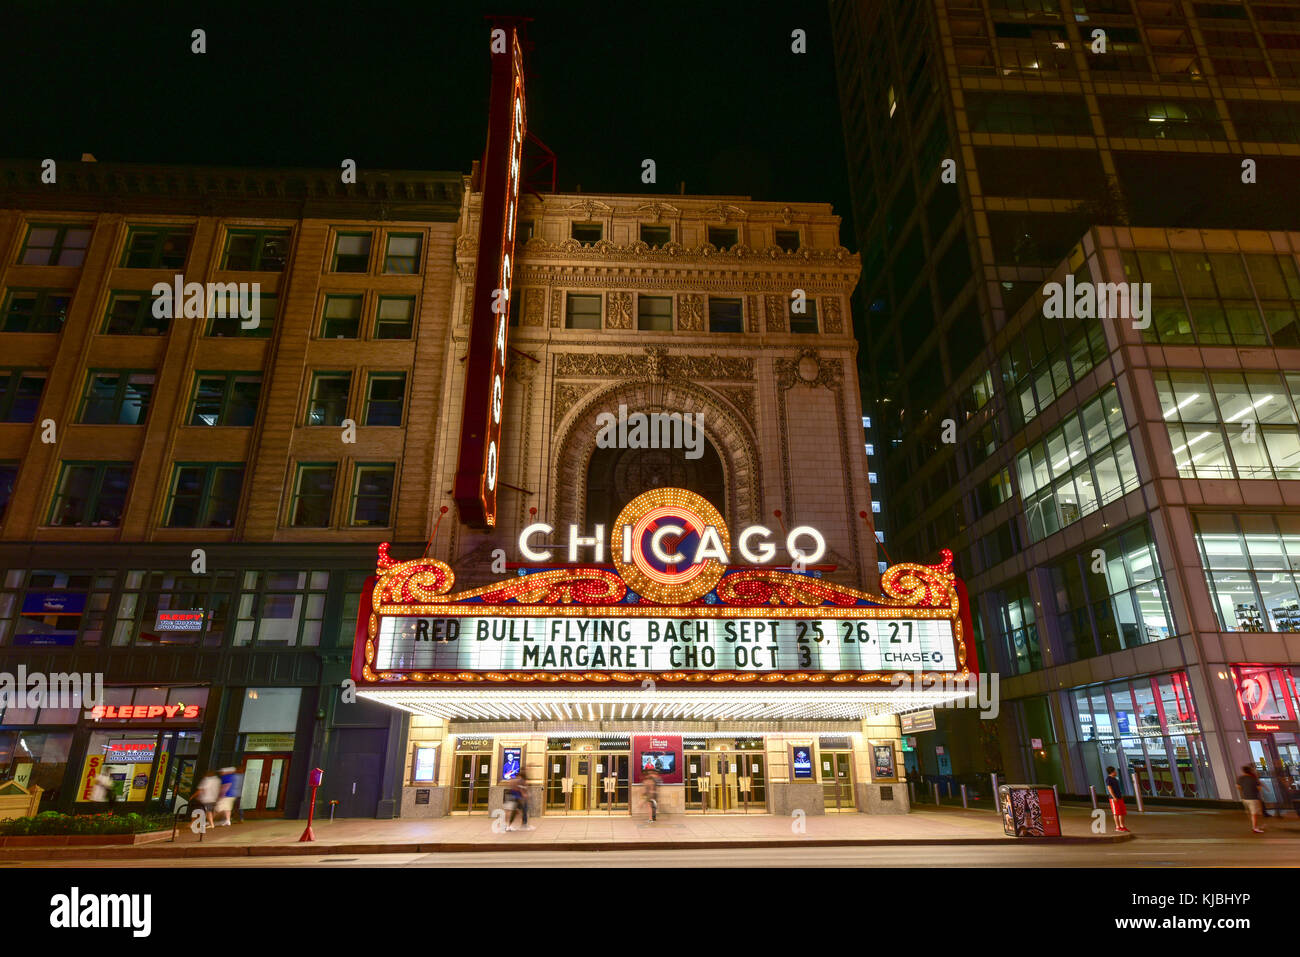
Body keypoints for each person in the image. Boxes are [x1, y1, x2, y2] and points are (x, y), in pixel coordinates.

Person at [1237, 764, 1265, 833]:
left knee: (1251, 813)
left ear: (1243, 771)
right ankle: (1255, 827)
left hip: (1245, 798)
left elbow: (1238, 787)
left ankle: (1255, 825)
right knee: (1255, 813)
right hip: (1253, 798)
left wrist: (1244, 790)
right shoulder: (1253, 778)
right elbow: (1259, 788)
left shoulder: (1240, 778)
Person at [1105, 766, 1129, 832]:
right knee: (1116, 813)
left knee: (1122, 812)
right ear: (1112, 772)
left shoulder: (1115, 779)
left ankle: (1122, 826)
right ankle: (1117, 827)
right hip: (1114, 799)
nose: (1116, 772)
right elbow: (1109, 789)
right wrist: (1114, 797)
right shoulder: (1108, 779)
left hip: (1119, 797)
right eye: (1115, 771)